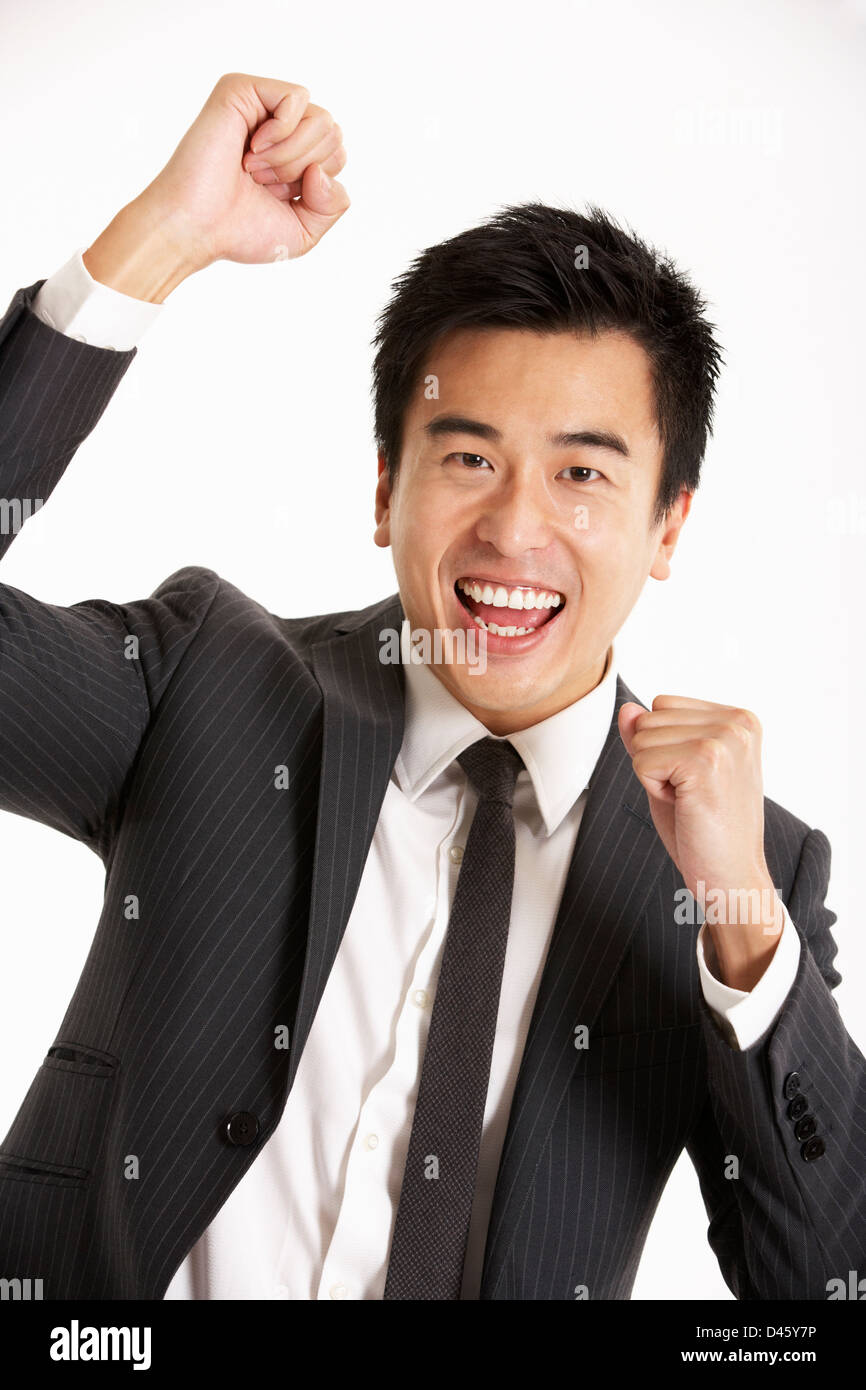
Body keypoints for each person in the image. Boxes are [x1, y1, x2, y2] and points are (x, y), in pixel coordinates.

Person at [0, 72, 863, 1302]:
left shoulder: (739, 876)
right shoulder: (213, 690)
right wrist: (163, 239)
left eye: (582, 475)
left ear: (667, 526)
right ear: (380, 492)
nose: (515, 532)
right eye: (467, 458)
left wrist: (737, 920)